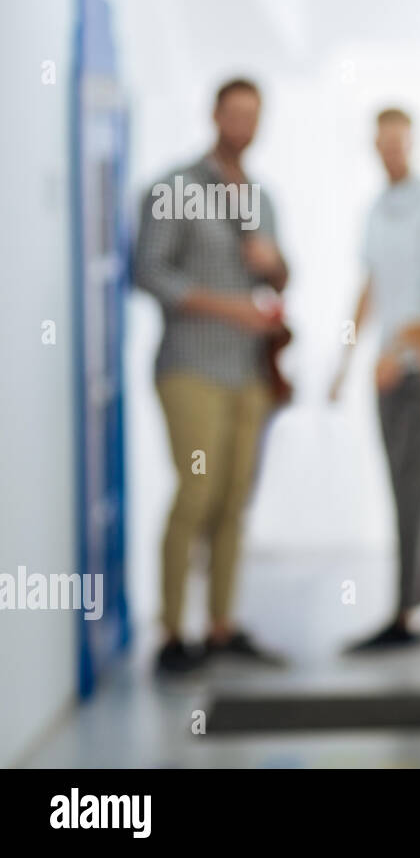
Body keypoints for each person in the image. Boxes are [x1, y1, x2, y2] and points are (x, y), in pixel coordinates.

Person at [135, 77, 290, 674]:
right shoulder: (174, 187)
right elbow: (150, 271)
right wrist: (226, 305)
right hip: (191, 366)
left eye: (254, 115)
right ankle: (173, 633)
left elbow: (280, 278)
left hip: (248, 371)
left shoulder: (262, 197)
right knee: (195, 492)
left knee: (232, 498)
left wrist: (274, 267)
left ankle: (221, 627)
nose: (244, 125)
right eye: (235, 114)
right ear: (214, 116)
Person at [331, 108, 420, 650]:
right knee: (404, 493)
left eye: (398, 143)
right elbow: (372, 285)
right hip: (384, 375)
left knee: (413, 493)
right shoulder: (376, 210)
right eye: (382, 143)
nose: (391, 152)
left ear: (413, 143)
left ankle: (404, 614)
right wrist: (345, 361)